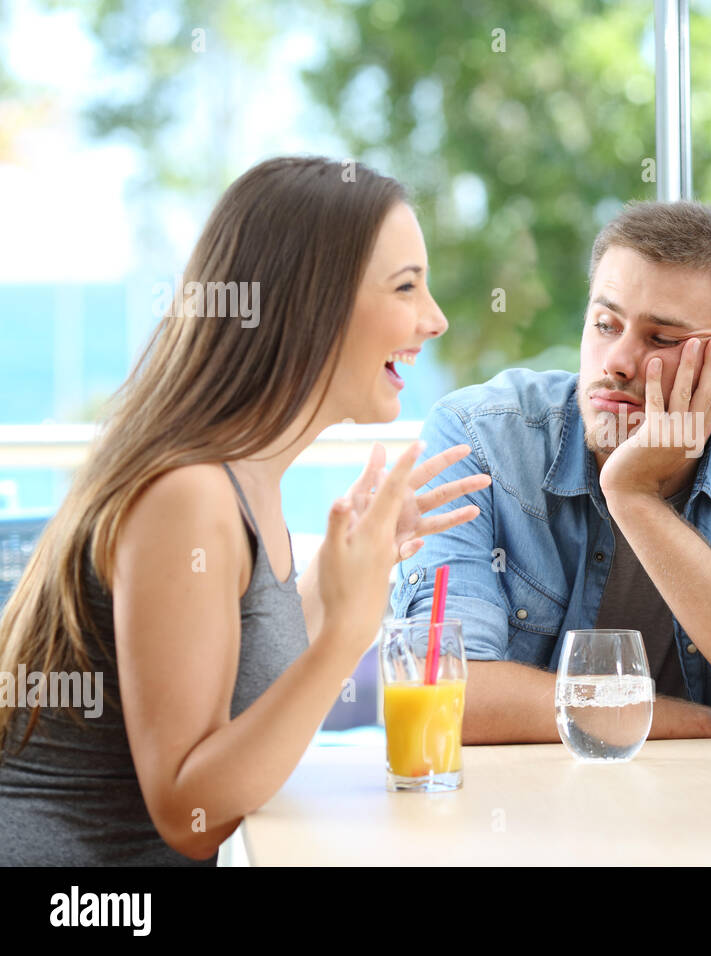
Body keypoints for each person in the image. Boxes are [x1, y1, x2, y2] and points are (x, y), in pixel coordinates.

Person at [0, 156, 489, 864]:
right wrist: (348, 627)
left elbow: (253, 691)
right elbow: (190, 814)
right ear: (309, 304)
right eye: (406, 286)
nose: (434, 319)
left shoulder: (246, 477)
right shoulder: (189, 495)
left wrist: (345, 581)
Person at [391, 200, 711, 743]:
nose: (617, 361)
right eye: (605, 324)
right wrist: (688, 724)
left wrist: (633, 496)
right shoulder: (480, 439)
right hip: (525, 815)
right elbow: (441, 692)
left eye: (662, 339)